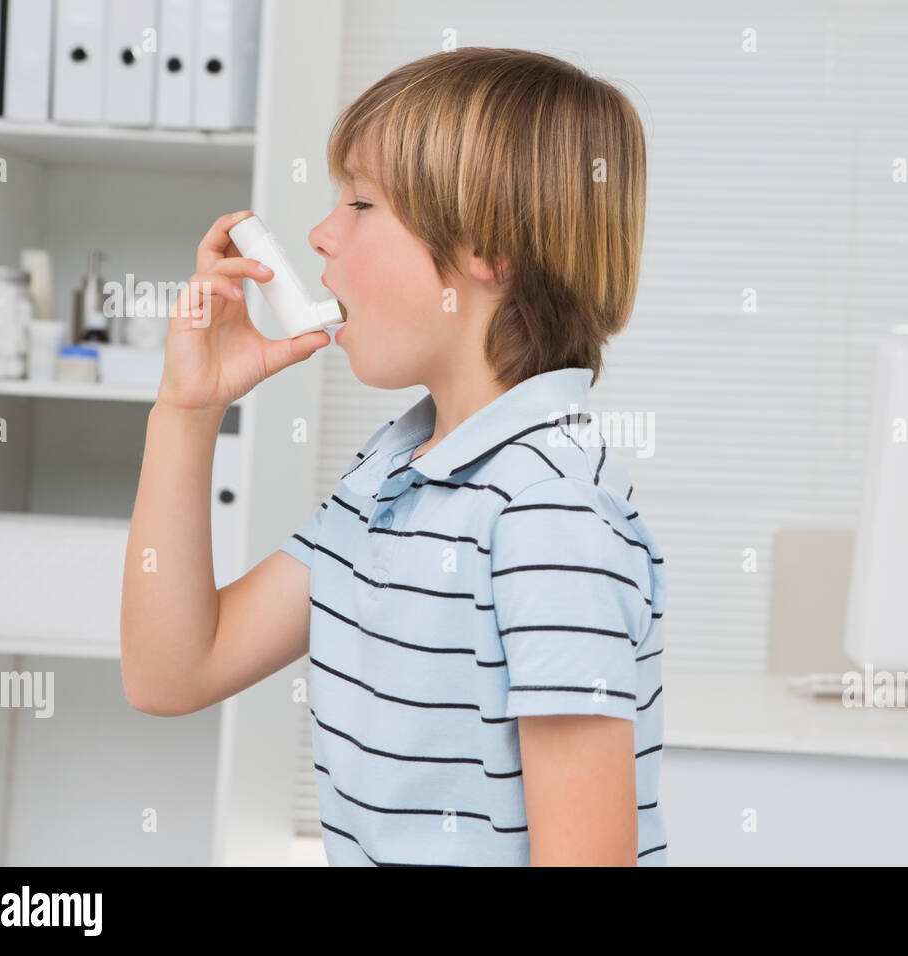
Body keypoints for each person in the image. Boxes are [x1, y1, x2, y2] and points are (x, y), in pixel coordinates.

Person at [120, 47, 667, 866]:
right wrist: (187, 410)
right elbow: (170, 673)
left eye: (362, 202)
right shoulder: (394, 477)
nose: (320, 234)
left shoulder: (550, 515)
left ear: (488, 249)